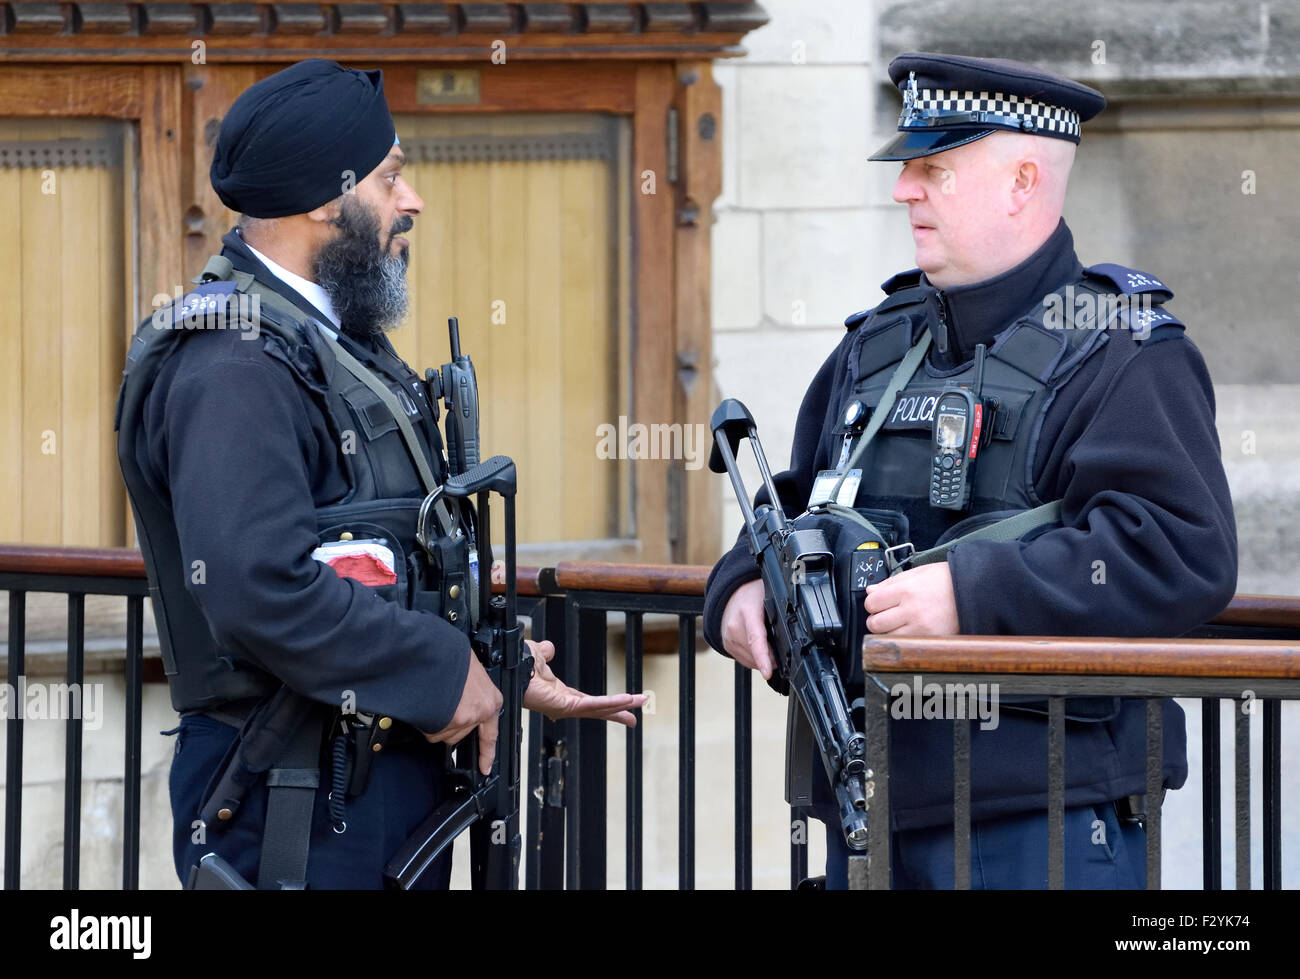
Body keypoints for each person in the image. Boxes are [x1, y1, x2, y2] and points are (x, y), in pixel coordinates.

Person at [702, 52, 1237, 889]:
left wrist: (972, 595)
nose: (903, 189)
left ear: (1023, 181)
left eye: (933, 169)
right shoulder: (877, 345)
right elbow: (801, 498)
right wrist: (741, 580)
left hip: (1040, 821)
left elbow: (1178, 552)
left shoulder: (1126, 354)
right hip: (869, 802)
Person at [116, 59, 644, 890]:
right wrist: (441, 673)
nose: (413, 201)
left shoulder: (329, 338)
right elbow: (259, 586)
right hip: (294, 796)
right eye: (390, 175)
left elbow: (376, 550)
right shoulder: (233, 361)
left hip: (365, 785)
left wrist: (487, 662)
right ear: (328, 199)